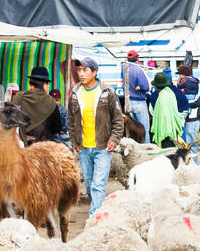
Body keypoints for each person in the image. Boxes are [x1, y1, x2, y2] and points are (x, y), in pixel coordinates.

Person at [67, 56, 123, 217]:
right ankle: (100, 210)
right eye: (79, 70)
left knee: (99, 184)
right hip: (84, 147)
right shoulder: (75, 93)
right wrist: (75, 143)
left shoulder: (107, 92)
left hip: (103, 146)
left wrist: (113, 140)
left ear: (94, 72)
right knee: (91, 185)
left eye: (85, 70)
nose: (81, 73)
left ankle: (95, 217)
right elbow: (71, 121)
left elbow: (118, 119)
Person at [11, 66, 62, 144]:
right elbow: (57, 128)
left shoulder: (18, 98)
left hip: (23, 148)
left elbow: (10, 121)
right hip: (45, 149)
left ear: (31, 83)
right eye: (47, 83)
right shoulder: (51, 102)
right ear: (44, 84)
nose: (48, 86)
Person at [122, 50, 153, 139]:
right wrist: (140, 87)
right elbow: (146, 87)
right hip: (139, 102)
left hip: (128, 102)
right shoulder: (139, 69)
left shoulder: (124, 68)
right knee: (144, 129)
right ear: (137, 58)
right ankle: (146, 151)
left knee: (132, 130)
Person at [149, 72, 182, 148]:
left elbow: (164, 116)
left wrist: (163, 130)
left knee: (166, 153)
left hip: (165, 131)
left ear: (156, 86)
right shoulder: (170, 93)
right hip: (172, 129)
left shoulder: (162, 97)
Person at [176, 63, 200, 150]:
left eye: (180, 74)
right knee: (187, 144)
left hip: (191, 118)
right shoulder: (196, 82)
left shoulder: (185, 82)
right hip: (187, 117)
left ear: (183, 74)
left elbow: (198, 102)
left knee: (189, 144)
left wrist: (184, 105)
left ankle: (191, 162)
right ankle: (188, 162)